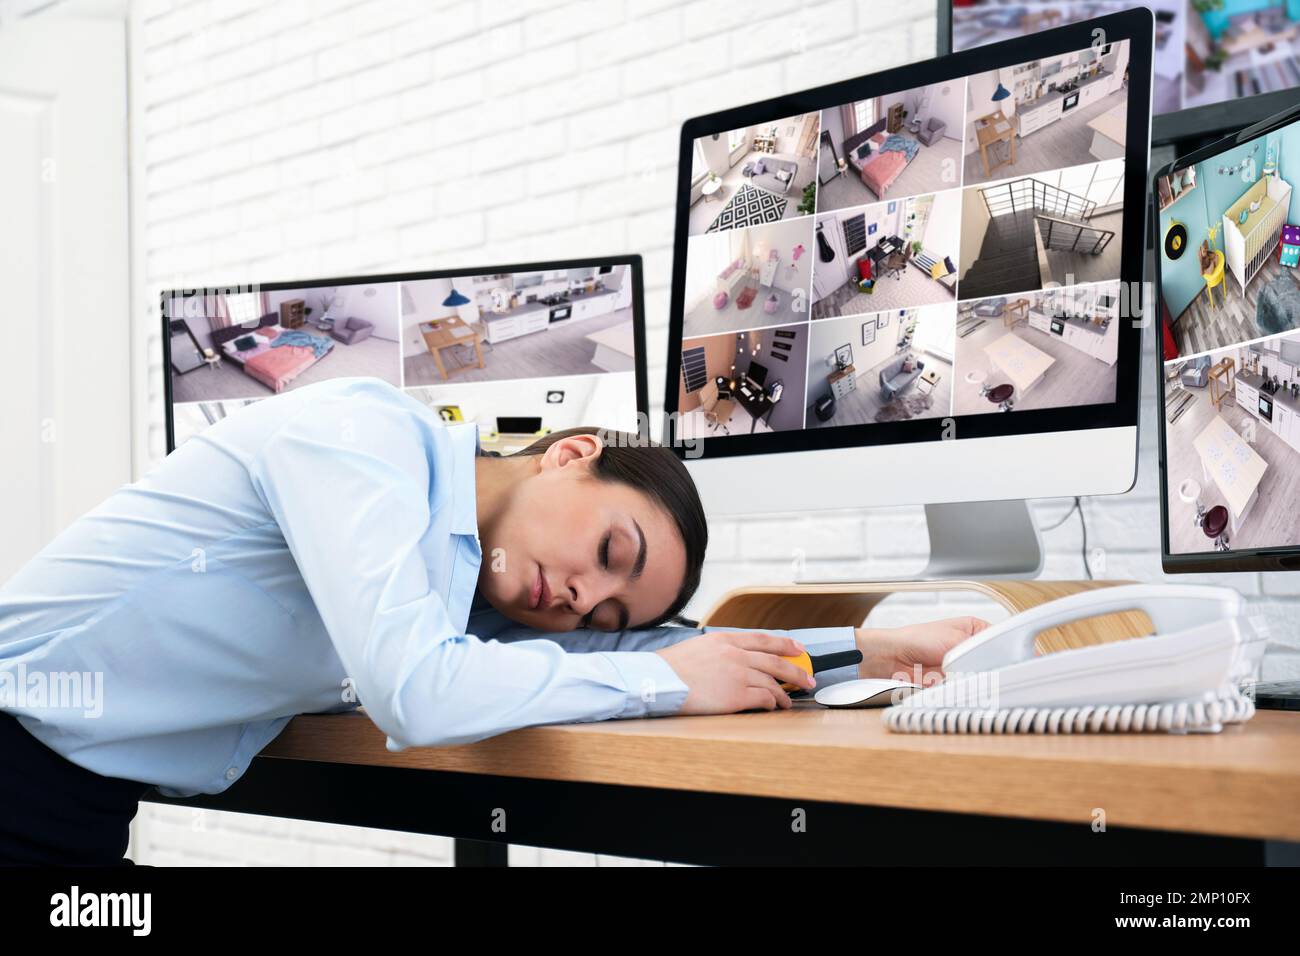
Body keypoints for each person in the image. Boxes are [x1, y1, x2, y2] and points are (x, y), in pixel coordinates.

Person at [0, 377, 985, 864]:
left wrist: (865, 644)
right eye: (612, 551)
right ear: (572, 452)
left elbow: (644, 644)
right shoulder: (363, 438)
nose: (581, 600)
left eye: (605, 604)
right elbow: (414, 691)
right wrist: (666, 678)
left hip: (79, 803)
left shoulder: (468, 590)